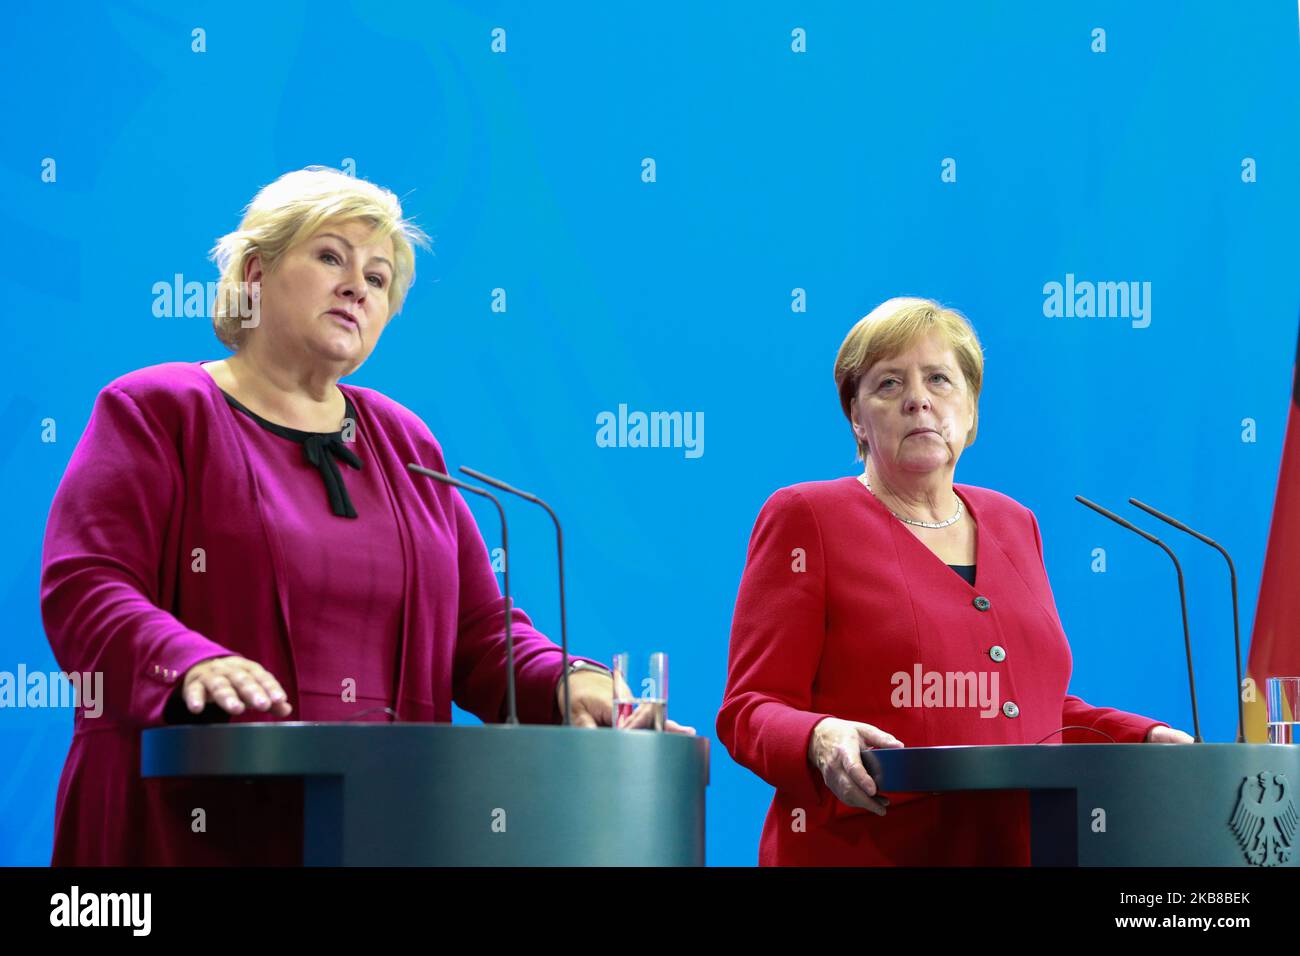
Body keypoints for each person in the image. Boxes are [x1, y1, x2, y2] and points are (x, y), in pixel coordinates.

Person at [41, 166, 692, 866]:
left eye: (378, 278)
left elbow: (479, 634)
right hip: (189, 819)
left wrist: (565, 680)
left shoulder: (404, 441)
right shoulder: (160, 409)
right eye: (330, 258)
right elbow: (86, 585)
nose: (357, 286)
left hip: (382, 825)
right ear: (255, 274)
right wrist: (185, 663)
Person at [715, 296, 1192, 866]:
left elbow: (1027, 708)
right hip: (869, 850)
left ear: (971, 414)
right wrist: (818, 737)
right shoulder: (807, 516)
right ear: (856, 420)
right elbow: (750, 707)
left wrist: (1141, 737)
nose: (919, 399)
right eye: (889, 384)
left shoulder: (1015, 524)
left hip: (1024, 848)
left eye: (940, 379)